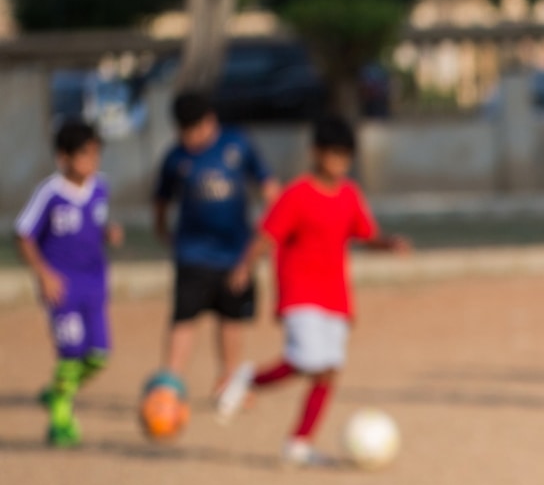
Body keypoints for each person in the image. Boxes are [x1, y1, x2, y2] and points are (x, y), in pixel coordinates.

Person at [213, 115, 410, 465]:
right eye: (332, 154)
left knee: (328, 370)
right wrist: (245, 266)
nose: (339, 163)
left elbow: (365, 235)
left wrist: (388, 243)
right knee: (306, 361)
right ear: (316, 153)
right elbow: (267, 236)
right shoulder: (297, 194)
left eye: (345, 156)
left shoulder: (349, 195)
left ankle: (299, 443)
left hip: (335, 295)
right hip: (300, 292)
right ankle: (246, 377)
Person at [155, 89, 277, 393]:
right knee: (184, 316)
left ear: (210, 121)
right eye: (183, 131)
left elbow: (269, 186)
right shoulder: (175, 157)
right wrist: (162, 230)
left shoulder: (238, 144)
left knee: (231, 317)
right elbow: (161, 200)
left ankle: (229, 381)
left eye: (195, 129)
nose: (190, 137)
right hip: (193, 253)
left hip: (236, 253)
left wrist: (269, 226)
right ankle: (170, 383)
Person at [18, 119, 121, 448]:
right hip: (62, 286)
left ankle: (57, 391)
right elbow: (23, 234)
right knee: (71, 354)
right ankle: (61, 420)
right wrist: (44, 274)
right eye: (84, 156)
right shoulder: (49, 193)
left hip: (94, 283)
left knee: (99, 355)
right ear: (63, 157)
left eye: (95, 155)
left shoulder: (100, 187)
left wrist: (109, 233)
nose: (91, 163)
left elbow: (94, 225)